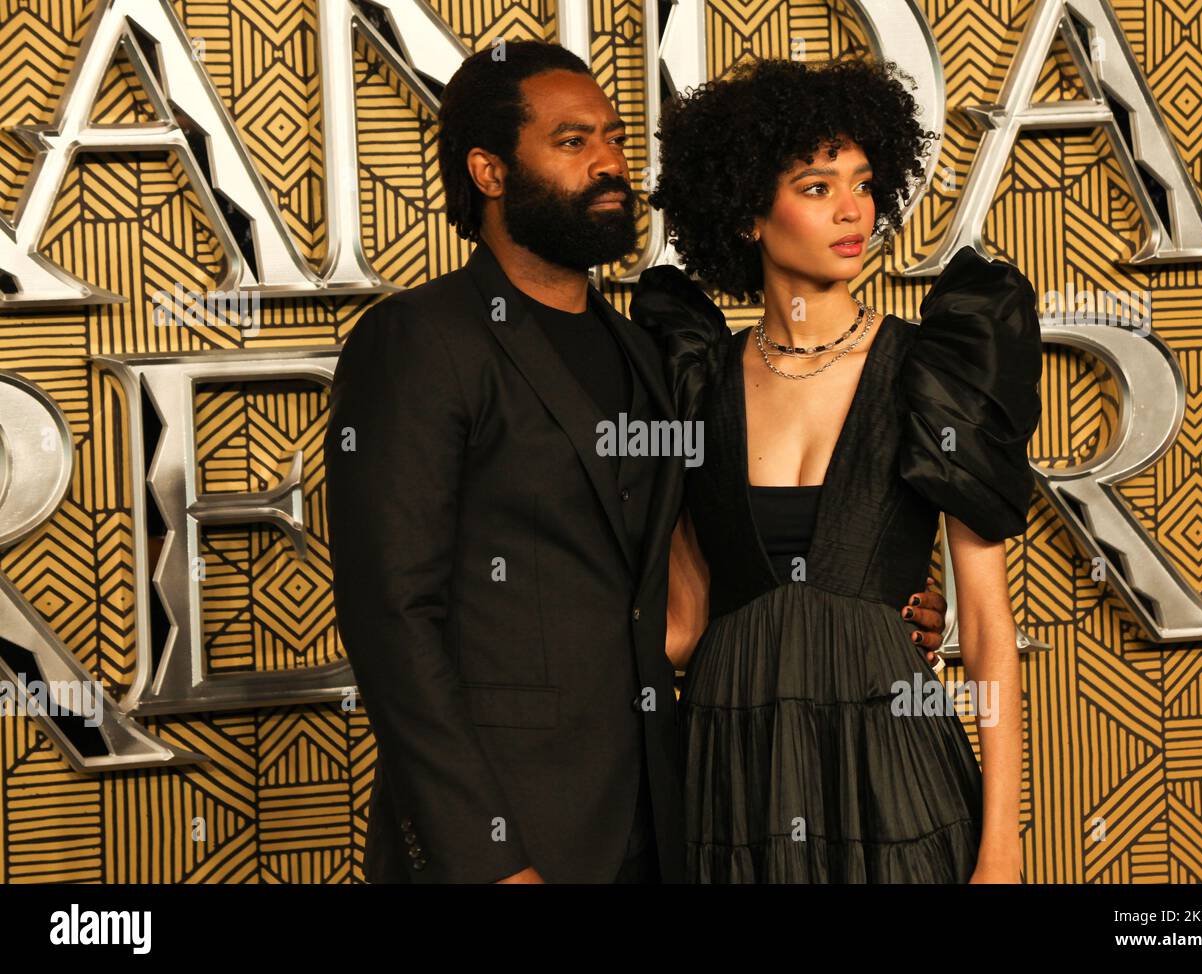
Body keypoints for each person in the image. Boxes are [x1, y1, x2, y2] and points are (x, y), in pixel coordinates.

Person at [325, 41, 949, 884]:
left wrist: (878, 600)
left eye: (615, 138)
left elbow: (709, 562)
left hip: (670, 814)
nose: (612, 162)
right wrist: (488, 858)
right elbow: (390, 623)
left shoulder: (652, 356)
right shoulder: (419, 341)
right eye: (574, 141)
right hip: (507, 836)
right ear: (490, 170)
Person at [629, 56, 1042, 883]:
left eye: (862, 182)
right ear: (748, 213)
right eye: (817, 187)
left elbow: (991, 635)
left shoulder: (935, 367)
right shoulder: (696, 379)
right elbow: (684, 621)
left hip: (891, 762)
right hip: (729, 764)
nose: (853, 210)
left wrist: (1002, 848)